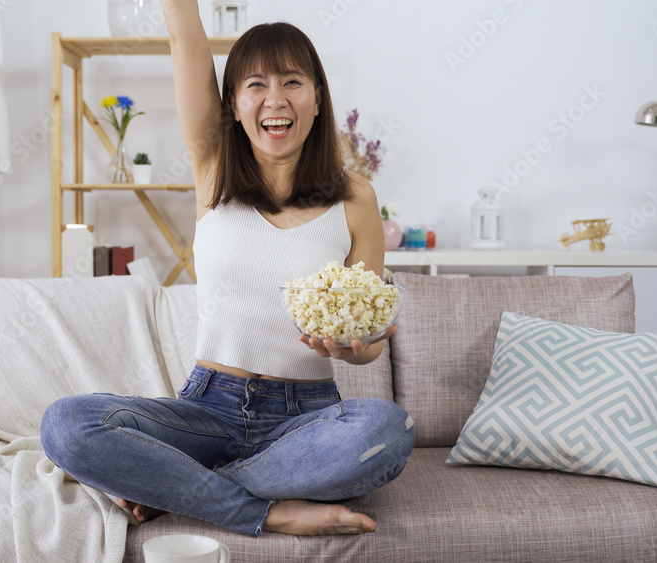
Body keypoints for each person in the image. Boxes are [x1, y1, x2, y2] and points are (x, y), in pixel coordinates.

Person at [41, 1, 414, 538]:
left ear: (316, 99)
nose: (275, 99)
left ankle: (182, 489)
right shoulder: (212, 167)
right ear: (234, 105)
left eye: (292, 82)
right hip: (208, 409)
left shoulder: (356, 197)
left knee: (389, 428)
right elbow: (183, 36)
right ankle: (263, 508)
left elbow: (370, 334)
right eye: (255, 85)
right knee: (66, 426)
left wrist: (359, 346)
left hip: (306, 417)